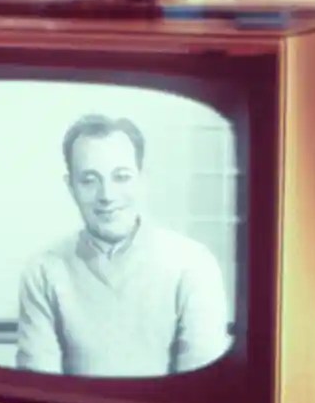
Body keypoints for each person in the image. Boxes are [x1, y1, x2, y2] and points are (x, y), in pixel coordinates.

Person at [16, 114, 232, 377]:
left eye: (121, 177)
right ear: (70, 187)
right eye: (89, 180)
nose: (106, 195)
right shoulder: (43, 271)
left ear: (143, 179)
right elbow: (40, 389)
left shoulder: (193, 265)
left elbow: (201, 389)